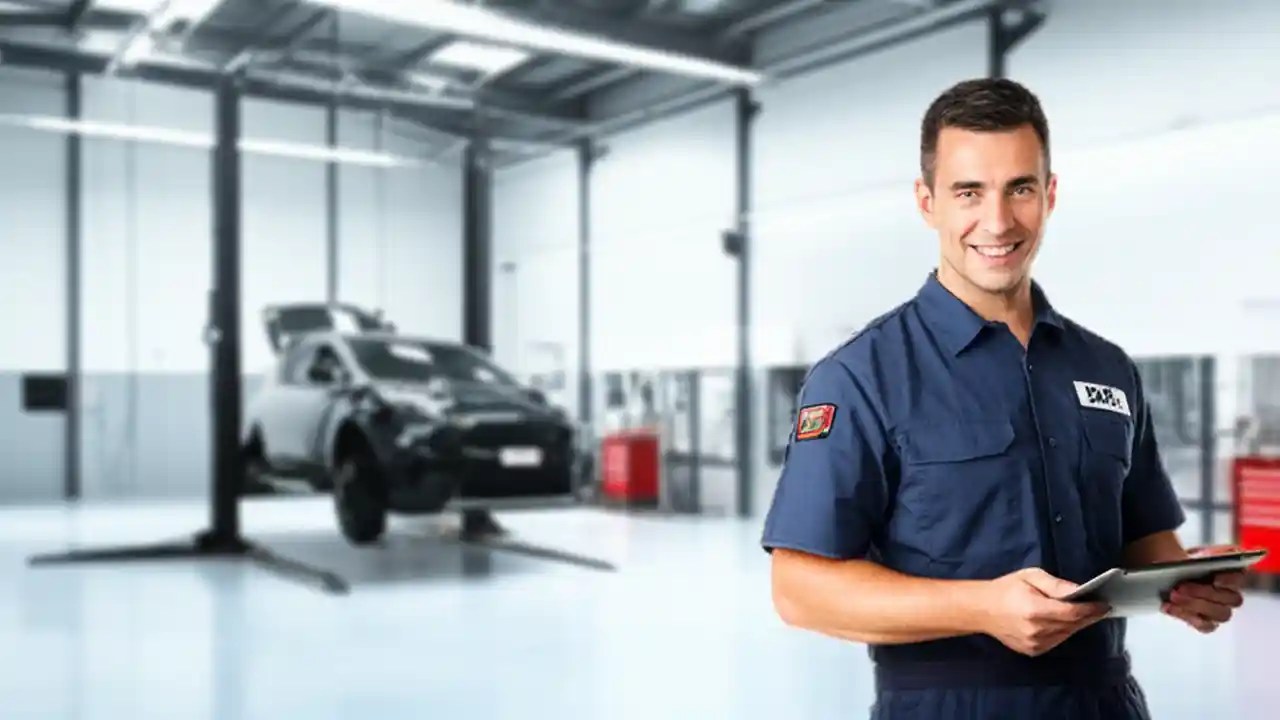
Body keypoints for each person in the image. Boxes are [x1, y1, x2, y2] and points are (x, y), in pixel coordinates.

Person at [760, 78, 1248, 719]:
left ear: (1049, 195)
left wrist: (1182, 580)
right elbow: (799, 590)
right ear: (927, 202)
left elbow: (1142, 542)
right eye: (969, 192)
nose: (997, 222)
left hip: (1104, 702)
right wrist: (981, 607)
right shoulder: (859, 377)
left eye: (1019, 188)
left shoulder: (1107, 369)